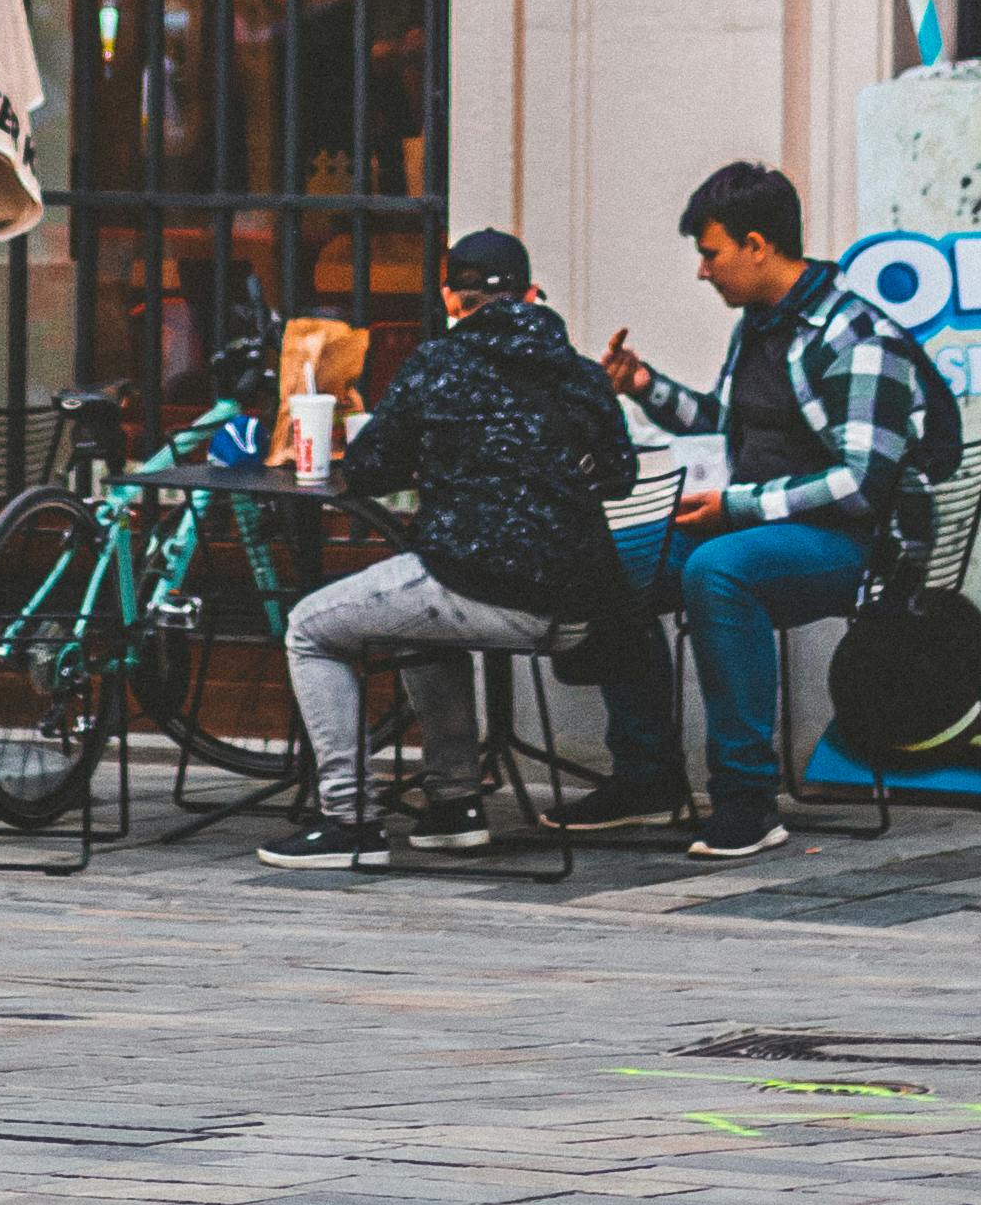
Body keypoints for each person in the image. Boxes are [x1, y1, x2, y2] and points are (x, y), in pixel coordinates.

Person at [256, 230, 641, 869]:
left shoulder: (440, 363)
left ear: (449, 297)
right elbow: (618, 474)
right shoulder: (577, 371)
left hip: (483, 586)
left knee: (309, 628)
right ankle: (455, 807)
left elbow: (373, 468)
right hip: (582, 607)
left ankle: (349, 821)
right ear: (531, 294)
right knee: (417, 618)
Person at [600, 164, 945, 864]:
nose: (703, 272)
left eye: (710, 252)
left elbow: (860, 486)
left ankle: (747, 801)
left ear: (757, 245)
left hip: (854, 547)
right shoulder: (761, 326)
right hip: (764, 528)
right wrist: (644, 386)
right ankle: (644, 774)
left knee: (720, 569)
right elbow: (731, 427)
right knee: (611, 563)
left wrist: (733, 507)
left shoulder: (857, 336)